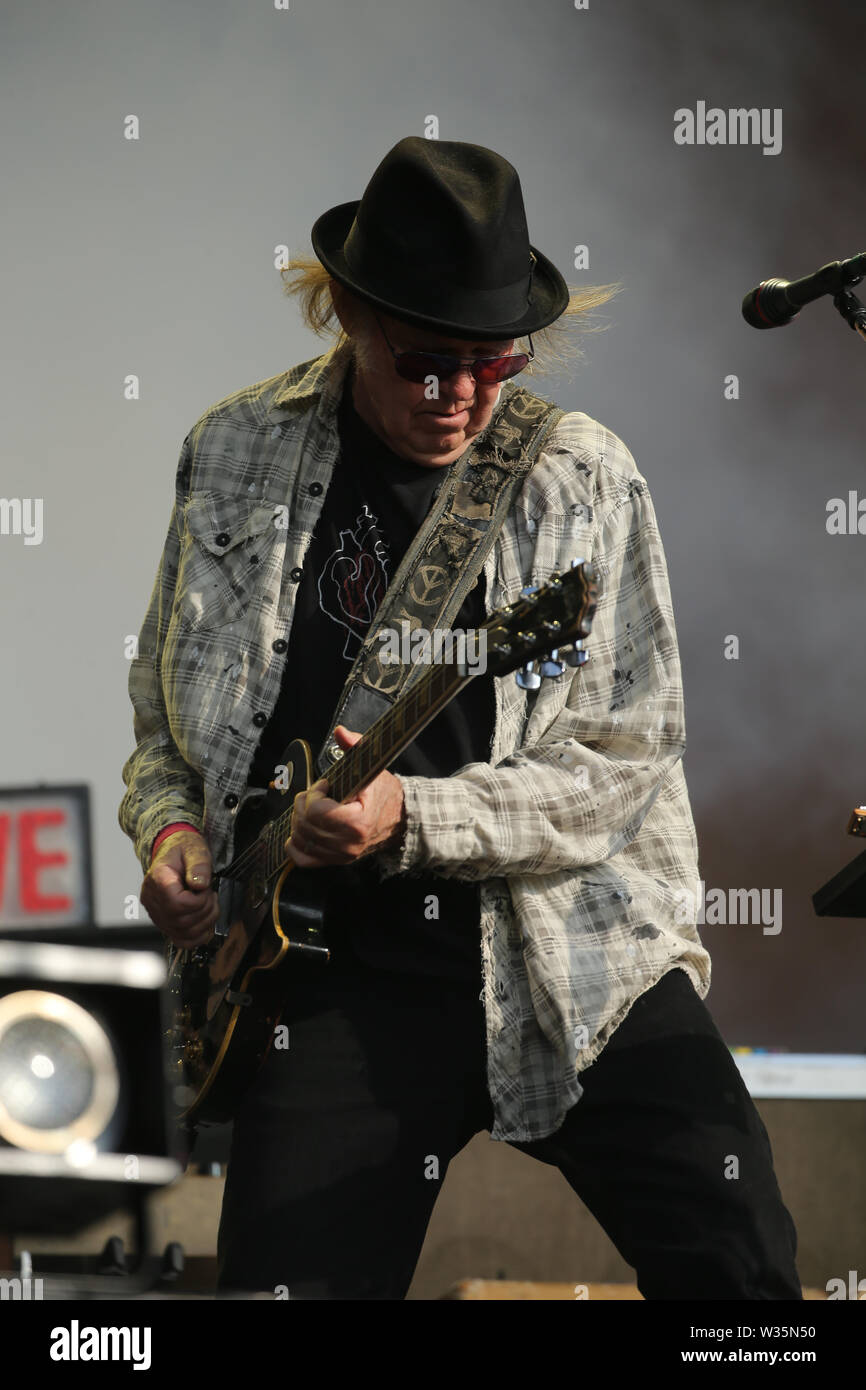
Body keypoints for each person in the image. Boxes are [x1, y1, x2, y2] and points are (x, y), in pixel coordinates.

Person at [119, 135, 802, 1300]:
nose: (462, 398)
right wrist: (169, 833)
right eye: (428, 362)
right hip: (329, 981)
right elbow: (162, 725)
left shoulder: (582, 477)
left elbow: (626, 753)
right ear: (344, 312)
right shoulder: (228, 450)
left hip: (574, 949)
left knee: (741, 1276)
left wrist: (413, 817)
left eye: (496, 365)